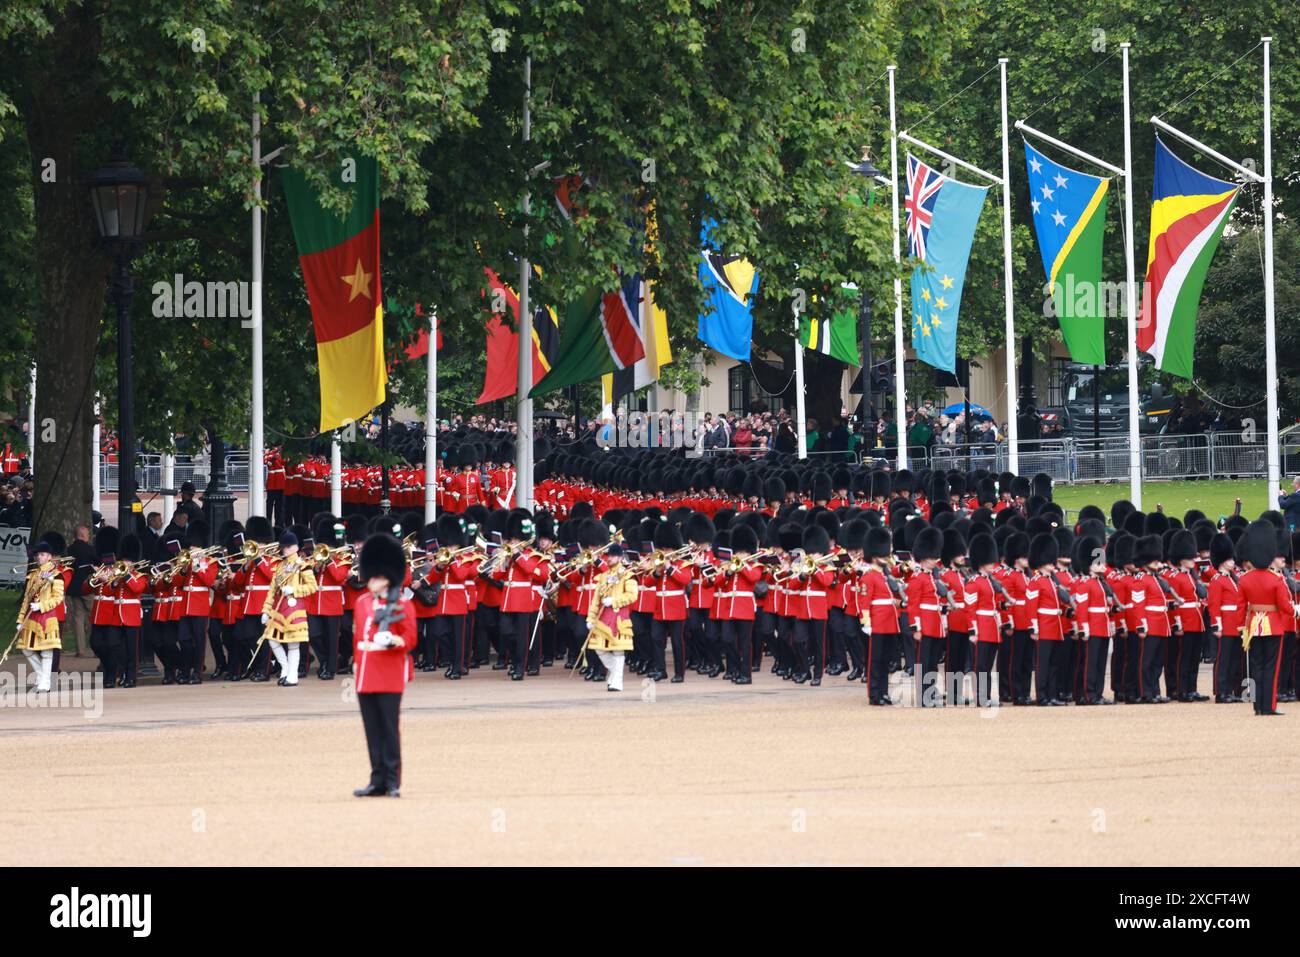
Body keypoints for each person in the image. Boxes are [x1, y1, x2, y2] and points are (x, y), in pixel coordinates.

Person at [352, 532, 416, 798]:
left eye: (376, 576)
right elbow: (358, 638)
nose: (371, 581)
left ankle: (392, 780)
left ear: (388, 576)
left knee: (389, 728)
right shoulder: (362, 603)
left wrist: (393, 640)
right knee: (372, 730)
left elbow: (410, 638)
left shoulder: (402, 603)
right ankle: (376, 779)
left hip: (389, 673)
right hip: (366, 674)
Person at [259, 530, 318, 686]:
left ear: (294, 548)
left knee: (293, 644)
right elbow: (272, 590)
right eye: (283, 547)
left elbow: (313, 587)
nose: (284, 550)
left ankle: (293, 676)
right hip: (278, 609)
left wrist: (295, 590)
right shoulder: (280, 566)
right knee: (272, 639)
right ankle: (285, 669)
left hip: (294, 607)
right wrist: (266, 610)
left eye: (287, 547)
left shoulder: (303, 565)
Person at [584, 540, 637, 691]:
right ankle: (615, 674)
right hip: (603, 618)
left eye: (613, 556)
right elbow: (595, 600)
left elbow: (632, 596)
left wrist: (614, 600)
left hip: (619, 617)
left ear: (620, 558)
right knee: (599, 648)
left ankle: (617, 682)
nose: (609, 558)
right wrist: (590, 617)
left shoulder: (628, 575)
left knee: (618, 650)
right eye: (609, 556)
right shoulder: (602, 577)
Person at [15, 540, 65, 693]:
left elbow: (58, 598)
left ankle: (45, 683)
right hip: (31, 618)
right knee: (26, 649)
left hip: (46, 616)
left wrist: (42, 606)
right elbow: (26, 599)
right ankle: (43, 676)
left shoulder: (56, 575)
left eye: (42, 554)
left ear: (49, 556)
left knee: (46, 651)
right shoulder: (33, 575)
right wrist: (20, 619)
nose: (39, 557)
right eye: (37, 555)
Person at [66, 524, 96, 658]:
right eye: (88, 534)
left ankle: (80, 649)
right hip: (87, 586)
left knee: (78, 618)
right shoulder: (89, 549)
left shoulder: (69, 549)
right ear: (83, 535)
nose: (89, 536)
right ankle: (97, 647)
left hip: (73, 587)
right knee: (95, 617)